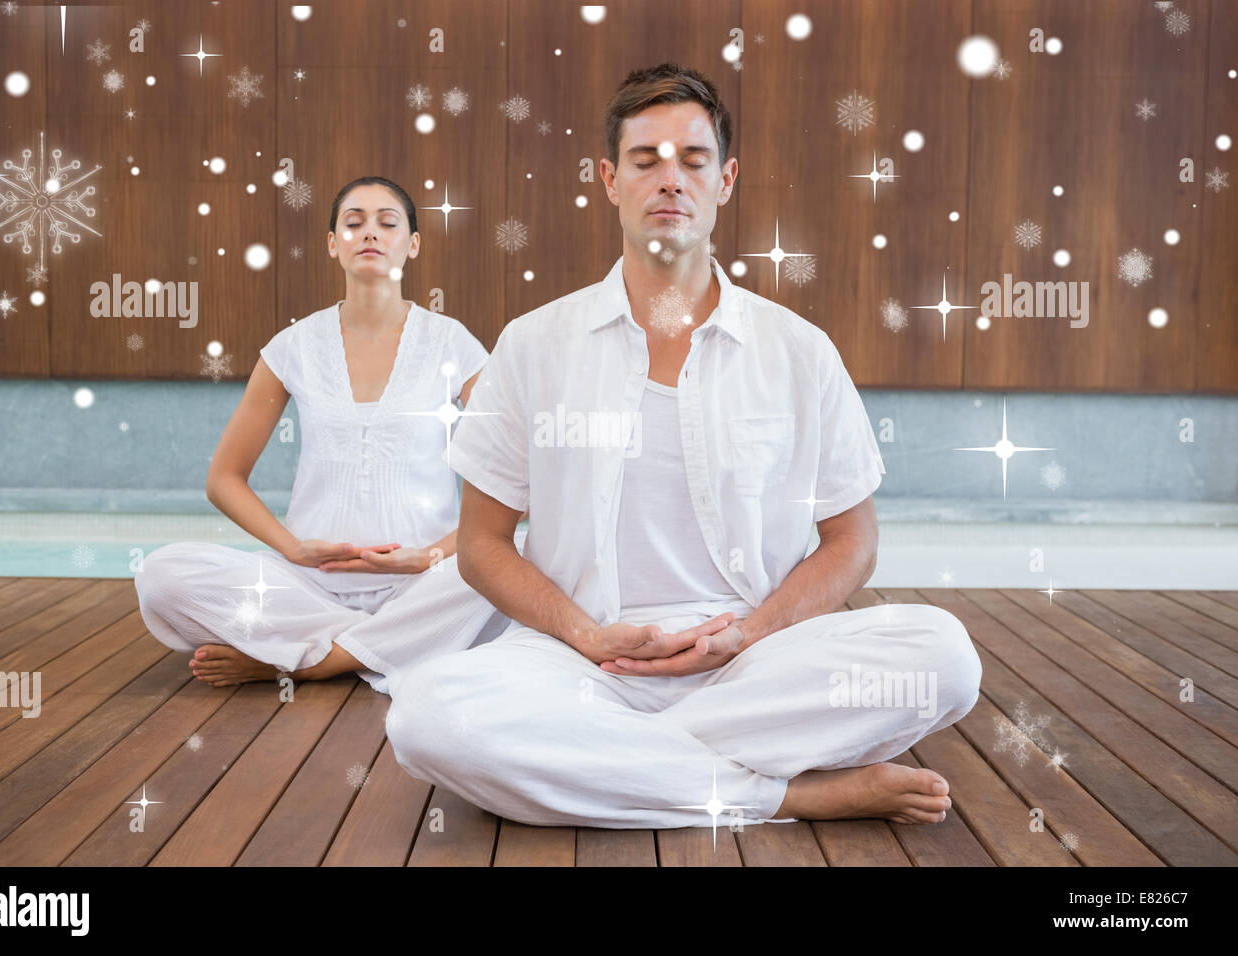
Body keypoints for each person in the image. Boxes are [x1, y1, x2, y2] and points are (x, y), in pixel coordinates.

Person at [385, 64, 982, 829]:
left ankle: (612, 765)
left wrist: (748, 633)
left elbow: (852, 540)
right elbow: (481, 545)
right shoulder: (532, 344)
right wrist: (585, 634)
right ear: (609, 179)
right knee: (426, 716)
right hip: (583, 662)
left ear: (726, 179)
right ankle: (783, 794)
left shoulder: (799, 350)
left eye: (693, 161)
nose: (671, 179)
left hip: (755, 664)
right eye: (645, 160)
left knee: (942, 656)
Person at [135, 176, 521, 694]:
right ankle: (388, 646)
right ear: (332, 243)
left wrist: (429, 556)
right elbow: (224, 479)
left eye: (388, 223)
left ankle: (304, 662)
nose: (370, 234)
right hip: (308, 586)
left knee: (515, 562)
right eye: (353, 222)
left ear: (413, 244)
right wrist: (291, 549)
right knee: (160, 576)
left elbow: (513, 475)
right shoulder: (292, 347)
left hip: (424, 583)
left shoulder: (454, 344)